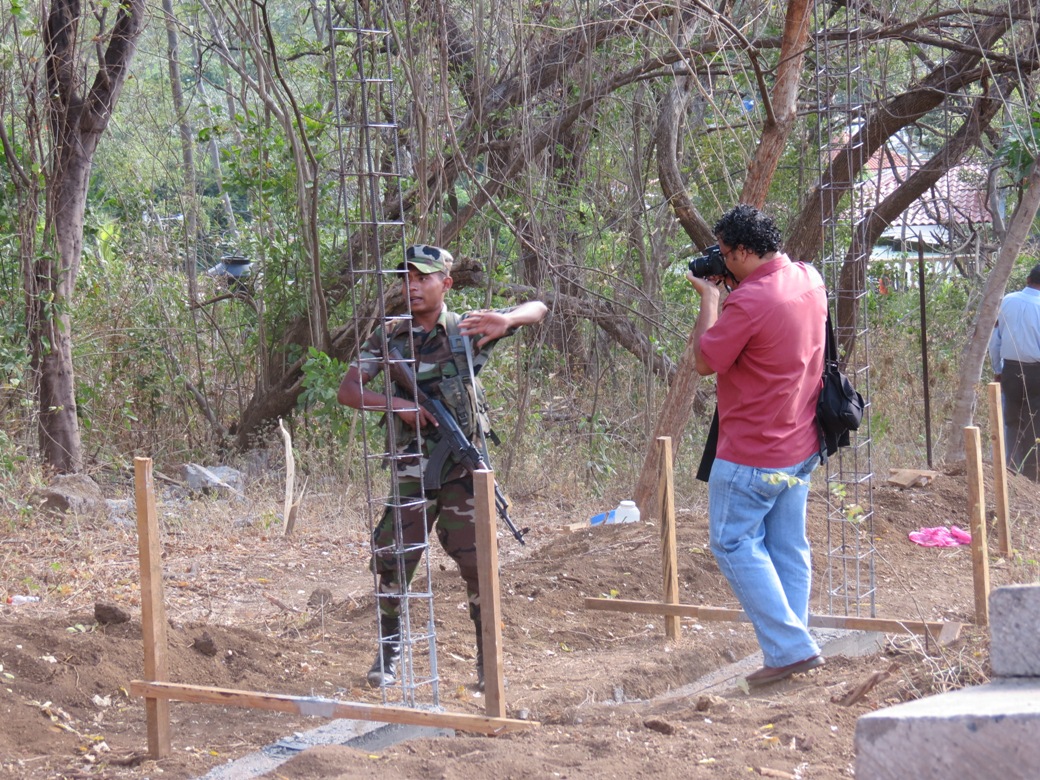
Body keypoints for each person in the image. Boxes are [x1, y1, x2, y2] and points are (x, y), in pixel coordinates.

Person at [338, 244, 547, 690]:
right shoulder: (390, 337)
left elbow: (539, 307)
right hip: (412, 470)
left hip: (462, 472)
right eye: (407, 279)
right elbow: (349, 390)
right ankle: (388, 653)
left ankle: (487, 662)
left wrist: (508, 319)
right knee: (394, 560)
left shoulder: (467, 329)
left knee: (479, 565)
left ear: (446, 283)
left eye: (423, 278)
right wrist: (397, 405)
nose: (412, 286)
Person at [686, 204, 828, 687]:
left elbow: (705, 361)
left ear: (745, 251)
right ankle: (794, 642)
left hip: (753, 452)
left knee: (732, 543)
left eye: (727, 254)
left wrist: (710, 298)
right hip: (801, 443)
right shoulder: (809, 277)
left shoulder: (748, 302)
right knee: (787, 546)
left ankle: (791, 649)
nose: (723, 260)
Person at [989, 264, 1040, 481]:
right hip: (1036, 372)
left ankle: (1010, 471)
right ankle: (1031, 477)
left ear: (1028, 279)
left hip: (1010, 369)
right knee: (1034, 425)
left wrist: (998, 369)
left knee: (1011, 422)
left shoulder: (1007, 301)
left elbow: (994, 341)